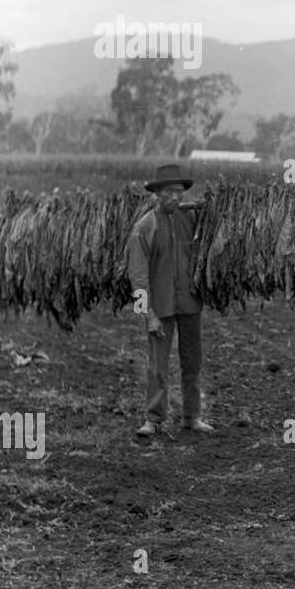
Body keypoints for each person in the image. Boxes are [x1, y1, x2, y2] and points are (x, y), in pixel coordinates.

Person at [128, 163, 213, 437]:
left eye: (179, 192)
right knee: (157, 367)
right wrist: (148, 315)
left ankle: (192, 416)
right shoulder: (145, 228)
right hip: (160, 308)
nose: (175, 197)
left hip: (189, 303)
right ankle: (153, 420)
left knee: (192, 362)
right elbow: (137, 279)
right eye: (169, 192)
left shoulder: (190, 220)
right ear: (157, 194)